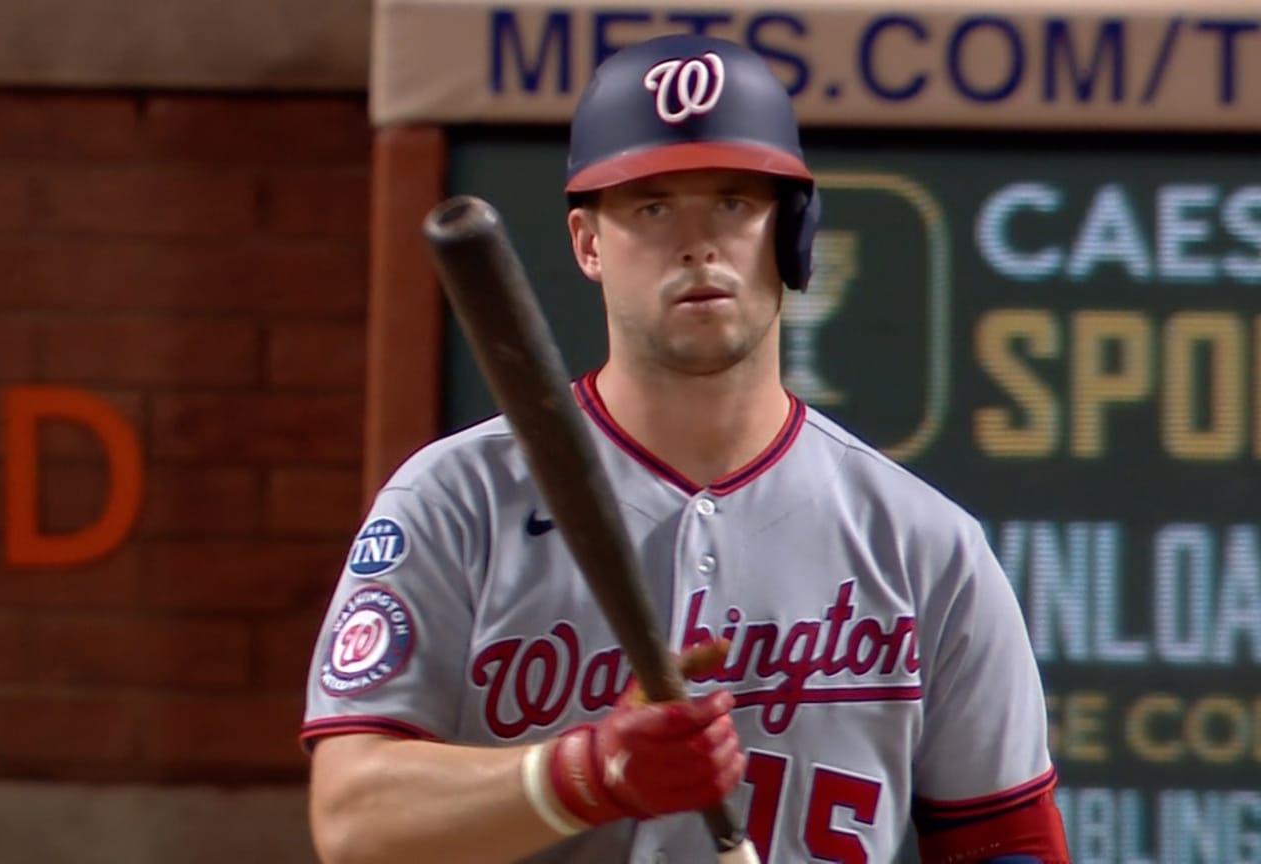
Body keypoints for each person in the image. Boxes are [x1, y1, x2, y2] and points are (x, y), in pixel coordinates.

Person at [301, 33, 1069, 864]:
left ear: (795, 233)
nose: (697, 243)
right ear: (587, 242)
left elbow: (1007, 841)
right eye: (651, 206)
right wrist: (584, 775)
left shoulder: (925, 544)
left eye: (735, 202)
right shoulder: (454, 500)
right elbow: (353, 819)